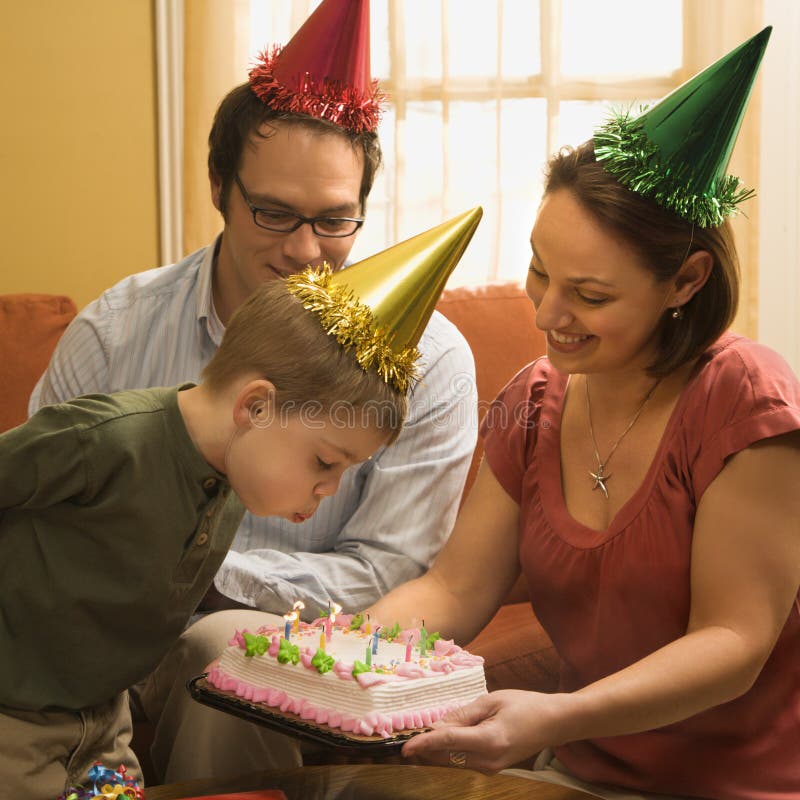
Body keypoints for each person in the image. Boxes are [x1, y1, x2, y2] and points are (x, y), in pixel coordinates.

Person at [28, 0, 477, 783]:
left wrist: (195, 571)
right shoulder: (115, 335)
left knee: (226, 656)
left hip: (276, 643)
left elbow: (389, 569)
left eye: (336, 222)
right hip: (93, 629)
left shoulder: (430, 362)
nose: (305, 251)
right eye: (273, 213)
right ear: (217, 185)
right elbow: (38, 528)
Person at [369, 27, 800, 800]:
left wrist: (555, 718)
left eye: (591, 295)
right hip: (581, 777)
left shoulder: (747, 405)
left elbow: (734, 642)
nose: (548, 313)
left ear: (687, 280)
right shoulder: (533, 402)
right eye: (539, 270)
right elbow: (456, 589)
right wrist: (333, 657)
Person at [0, 220, 442, 799]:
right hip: (16, 721)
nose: (329, 489)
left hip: (104, 726)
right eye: (324, 463)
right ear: (256, 406)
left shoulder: (227, 488)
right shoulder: (104, 440)